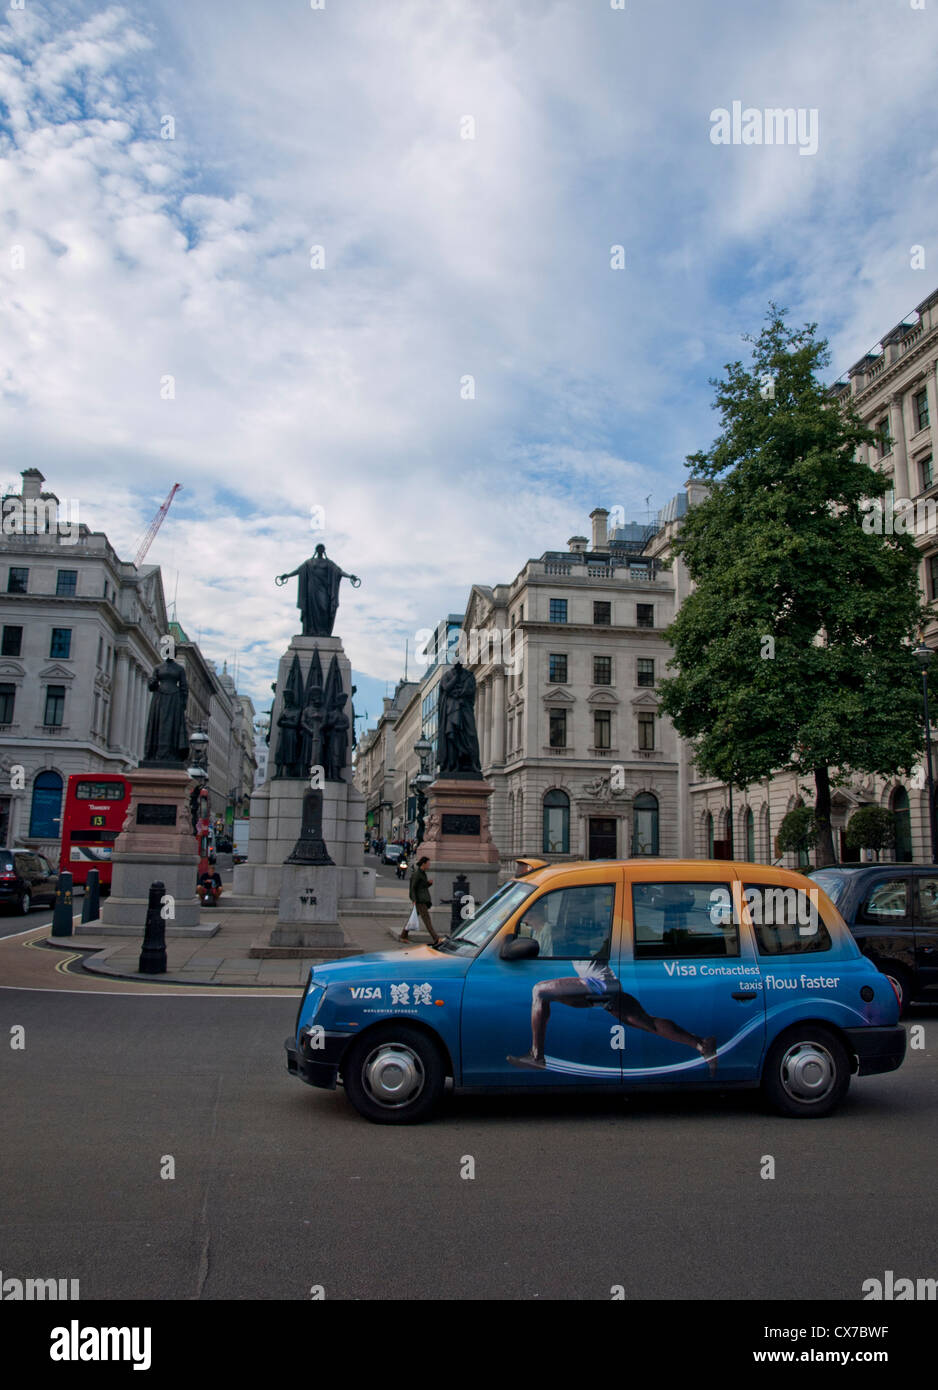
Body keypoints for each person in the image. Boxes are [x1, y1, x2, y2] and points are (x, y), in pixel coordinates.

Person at [506, 900, 717, 1075]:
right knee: (645, 1022)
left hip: (598, 983)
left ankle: (537, 1056)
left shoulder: (560, 932)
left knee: (540, 991)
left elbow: (548, 967)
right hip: (607, 983)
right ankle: (701, 1044)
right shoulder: (569, 931)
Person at [403, 855, 442, 945]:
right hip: (420, 901)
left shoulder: (422, 873)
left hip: (422, 899)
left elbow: (422, 886)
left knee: (412, 919)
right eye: (428, 864)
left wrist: (428, 883)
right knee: (427, 920)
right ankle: (436, 939)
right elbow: (413, 887)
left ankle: (403, 935)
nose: (429, 865)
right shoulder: (417, 874)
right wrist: (414, 899)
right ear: (423, 864)